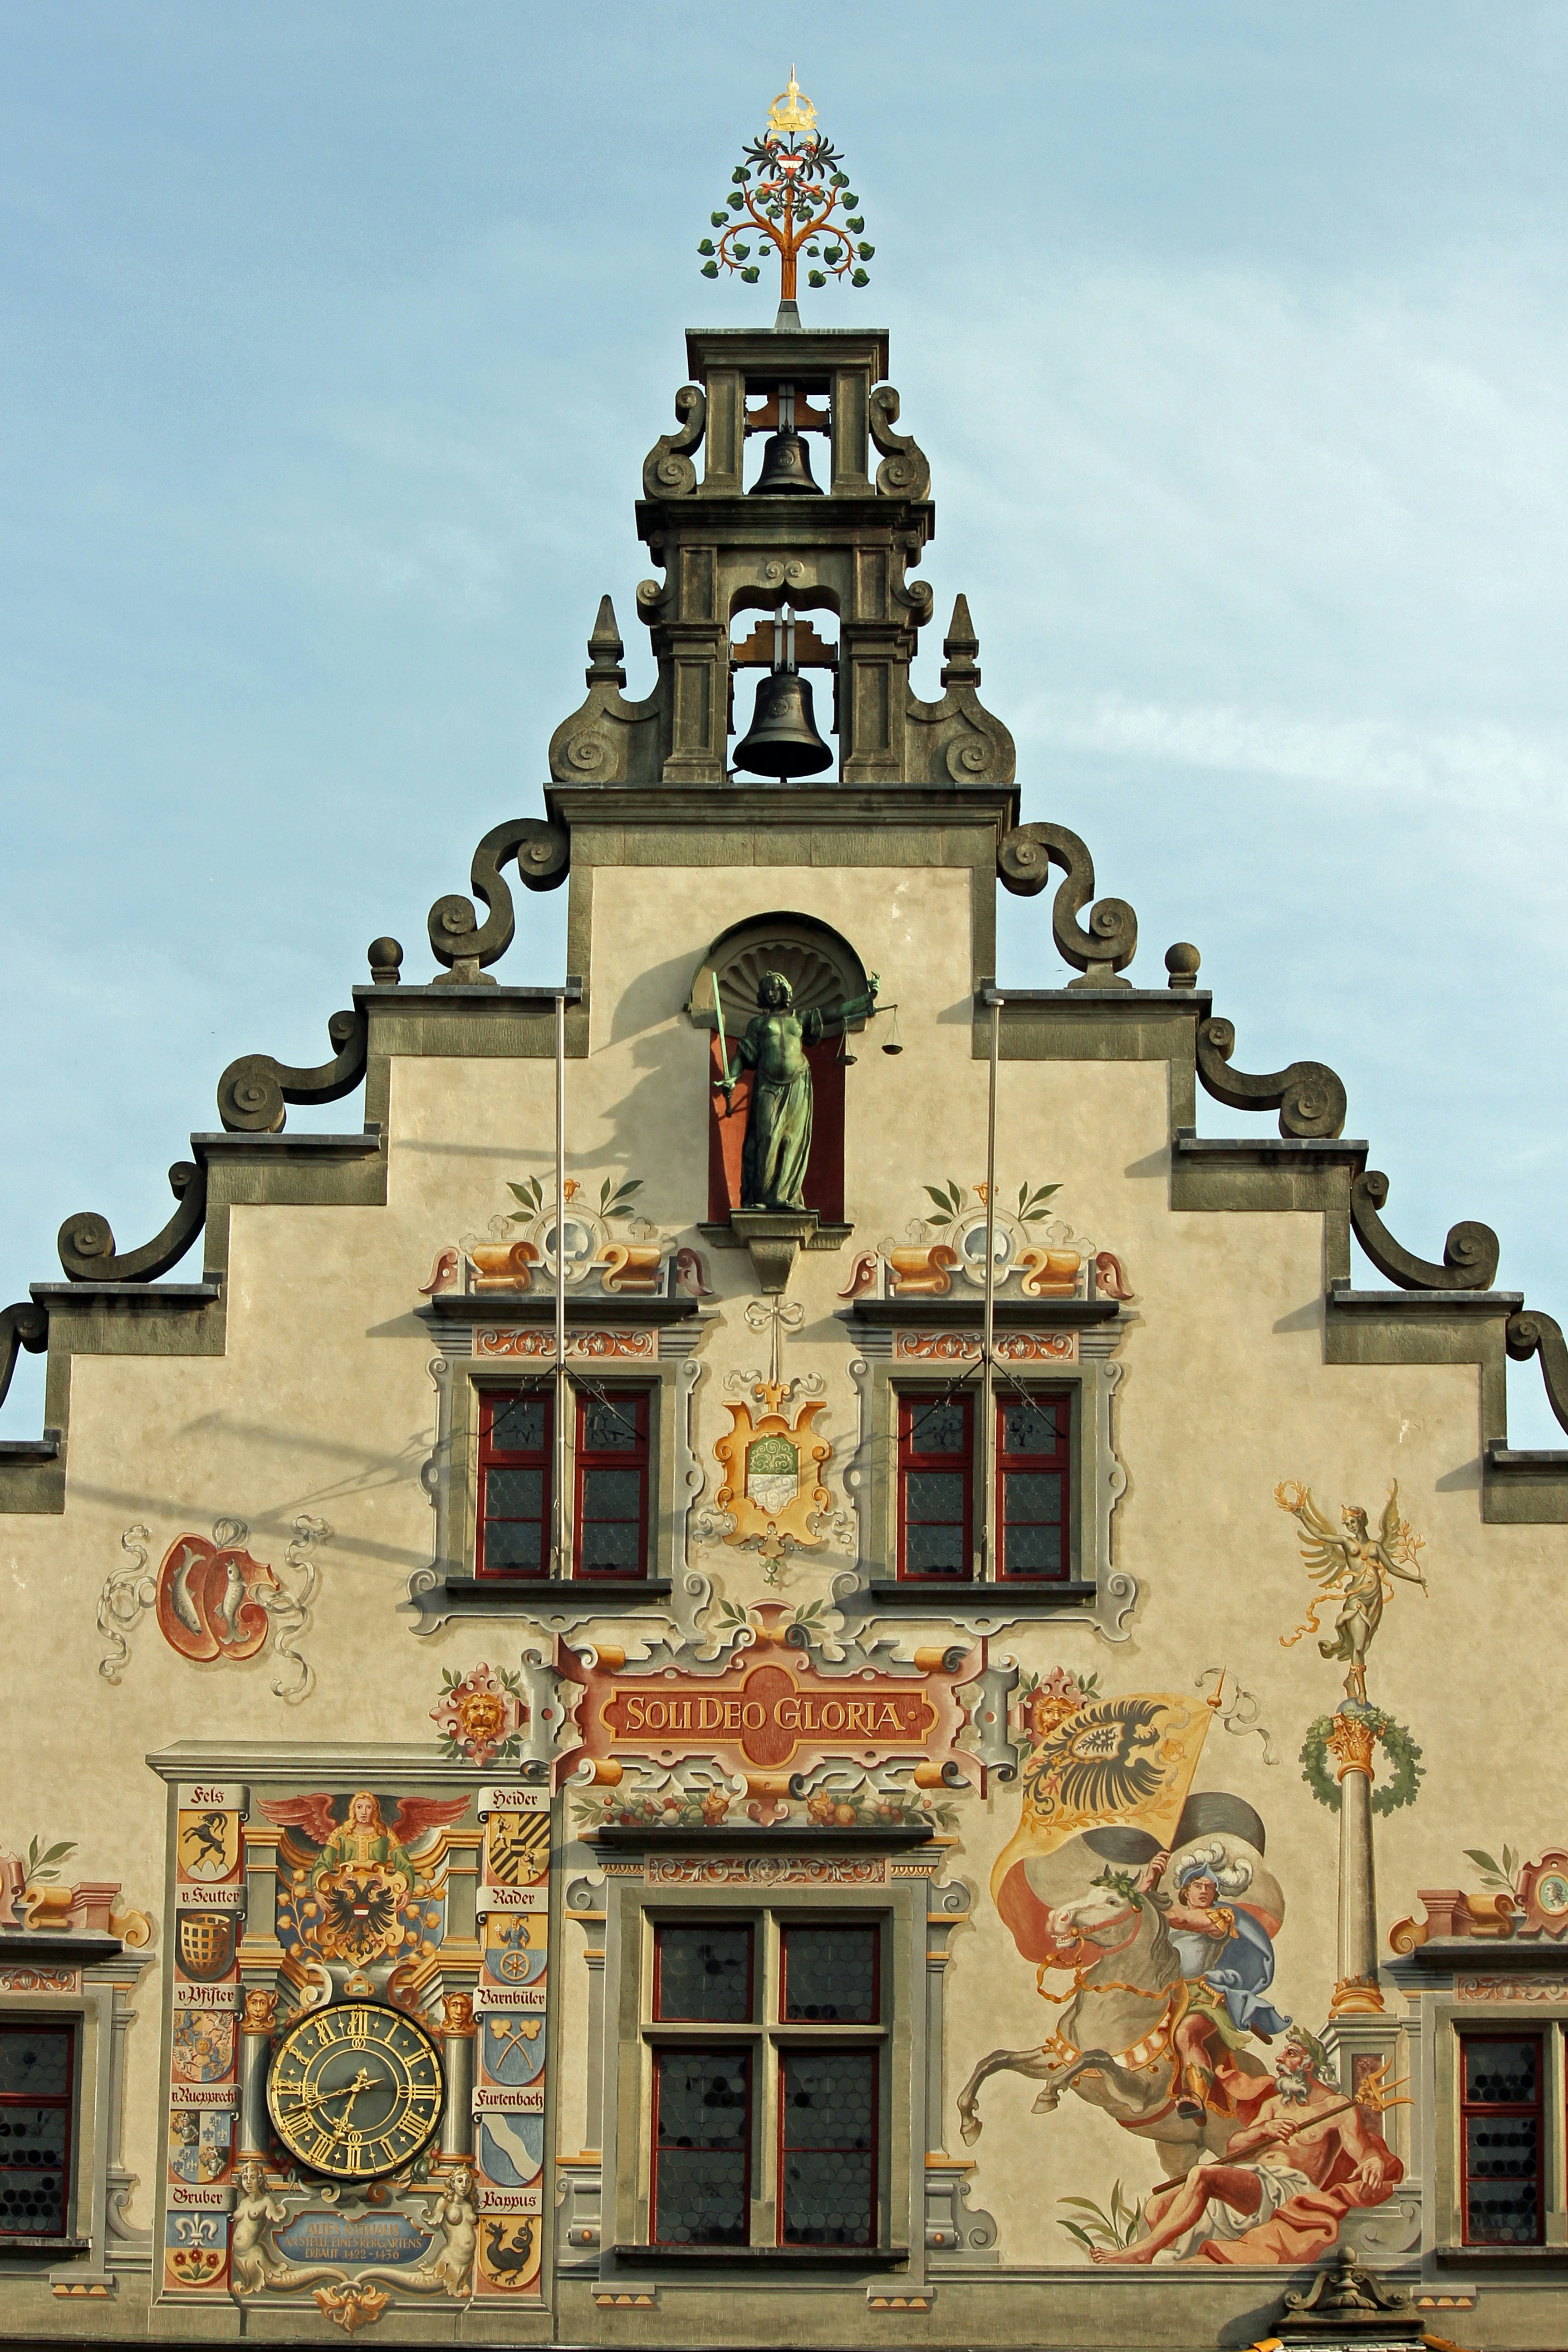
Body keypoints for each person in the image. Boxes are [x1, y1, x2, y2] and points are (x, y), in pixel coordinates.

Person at [1091, 2029, 1399, 2265]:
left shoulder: (1336, 2106)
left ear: (1308, 2063)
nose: (1280, 2061)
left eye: (1290, 2054)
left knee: (1202, 2175)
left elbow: (1363, 2151)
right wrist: (1263, 2130)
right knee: (1158, 2205)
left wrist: (1373, 2162)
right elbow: (1234, 2147)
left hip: (1287, 2189)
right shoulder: (1276, 2105)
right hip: (1252, 2182)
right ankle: (1169, 2258)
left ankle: (1144, 2252)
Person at [1137, 1843, 1290, 2122]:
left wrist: (1145, 1897)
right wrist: (1146, 1882)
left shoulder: (1218, 1917)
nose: (1204, 1890)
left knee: (1187, 2034)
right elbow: (1133, 1923)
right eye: (1198, 1885)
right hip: (1168, 1995)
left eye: (1210, 1886)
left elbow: (1179, 1919)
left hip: (1206, 1996)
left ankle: (1196, 2096)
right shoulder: (1166, 1922)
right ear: (1186, 1890)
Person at [731, 970, 876, 1213]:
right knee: (766, 1136)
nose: (770, 992)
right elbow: (742, 1055)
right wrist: (731, 1079)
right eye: (766, 989)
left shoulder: (801, 1019)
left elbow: (836, 1012)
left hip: (798, 1082)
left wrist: (866, 998)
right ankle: (763, 1197)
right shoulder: (757, 1024)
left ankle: (782, 1196)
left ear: (785, 991)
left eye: (775, 988)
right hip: (767, 1083)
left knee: (790, 1140)